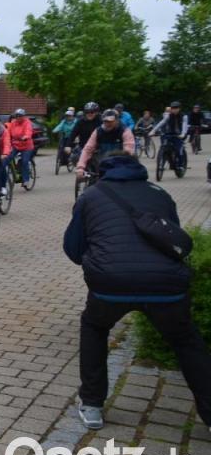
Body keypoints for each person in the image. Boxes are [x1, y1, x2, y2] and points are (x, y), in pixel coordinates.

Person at [64, 151, 211, 431]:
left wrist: (97, 260)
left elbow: (73, 248)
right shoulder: (160, 194)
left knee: (94, 327)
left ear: (103, 171)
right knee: (186, 342)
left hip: (110, 284)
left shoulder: (91, 196)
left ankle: (92, 405)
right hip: (165, 286)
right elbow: (173, 239)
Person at [76, 109, 135, 179]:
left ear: (117, 120)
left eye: (111, 121)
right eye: (105, 121)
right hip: (102, 162)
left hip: (120, 162)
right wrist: (80, 167)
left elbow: (128, 151)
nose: (108, 123)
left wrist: (124, 166)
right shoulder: (98, 131)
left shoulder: (125, 131)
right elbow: (87, 149)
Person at [151, 101, 190, 171]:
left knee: (179, 149)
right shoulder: (168, 116)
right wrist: (153, 131)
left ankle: (181, 165)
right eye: (173, 108)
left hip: (179, 135)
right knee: (164, 146)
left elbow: (185, 126)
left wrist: (183, 134)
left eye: (176, 108)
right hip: (169, 134)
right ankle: (163, 160)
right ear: (171, 109)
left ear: (179, 108)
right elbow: (161, 123)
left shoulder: (184, 116)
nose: (174, 110)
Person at [5, 108, 36, 187]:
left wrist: (26, 136)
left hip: (26, 146)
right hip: (15, 145)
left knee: (24, 161)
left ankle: (26, 180)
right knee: (6, 158)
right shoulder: (13, 123)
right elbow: (7, 133)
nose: (18, 117)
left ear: (24, 116)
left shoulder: (27, 123)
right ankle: (3, 178)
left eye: (20, 116)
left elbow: (28, 131)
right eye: (17, 116)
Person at [65, 102, 102, 166]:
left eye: (92, 112)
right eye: (87, 112)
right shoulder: (81, 122)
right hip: (83, 147)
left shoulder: (101, 121)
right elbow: (73, 133)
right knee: (74, 158)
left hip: (98, 148)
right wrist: (68, 145)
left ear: (96, 112)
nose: (89, 114)